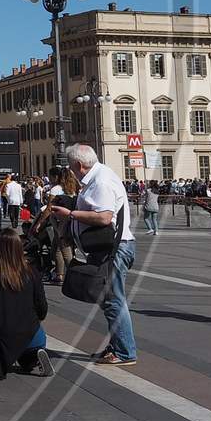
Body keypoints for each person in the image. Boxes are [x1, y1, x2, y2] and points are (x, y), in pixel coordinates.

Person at [51, 143, 137, 366]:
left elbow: (104, 217)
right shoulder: (96, 178)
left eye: (70, 167)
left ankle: (125, 352)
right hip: (104, 249)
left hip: (114, 250)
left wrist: (70, 214)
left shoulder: (101, 181)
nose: (69, 171)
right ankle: (118, 346)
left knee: (113, 299)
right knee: (108, 299)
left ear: (79, 165)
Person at [0, 228, 51, 378]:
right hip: (32, 333)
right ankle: (33, 354)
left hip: (2, 334)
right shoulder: (32, 272)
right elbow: (42, 307)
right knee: (26, 347)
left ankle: (11, 357)